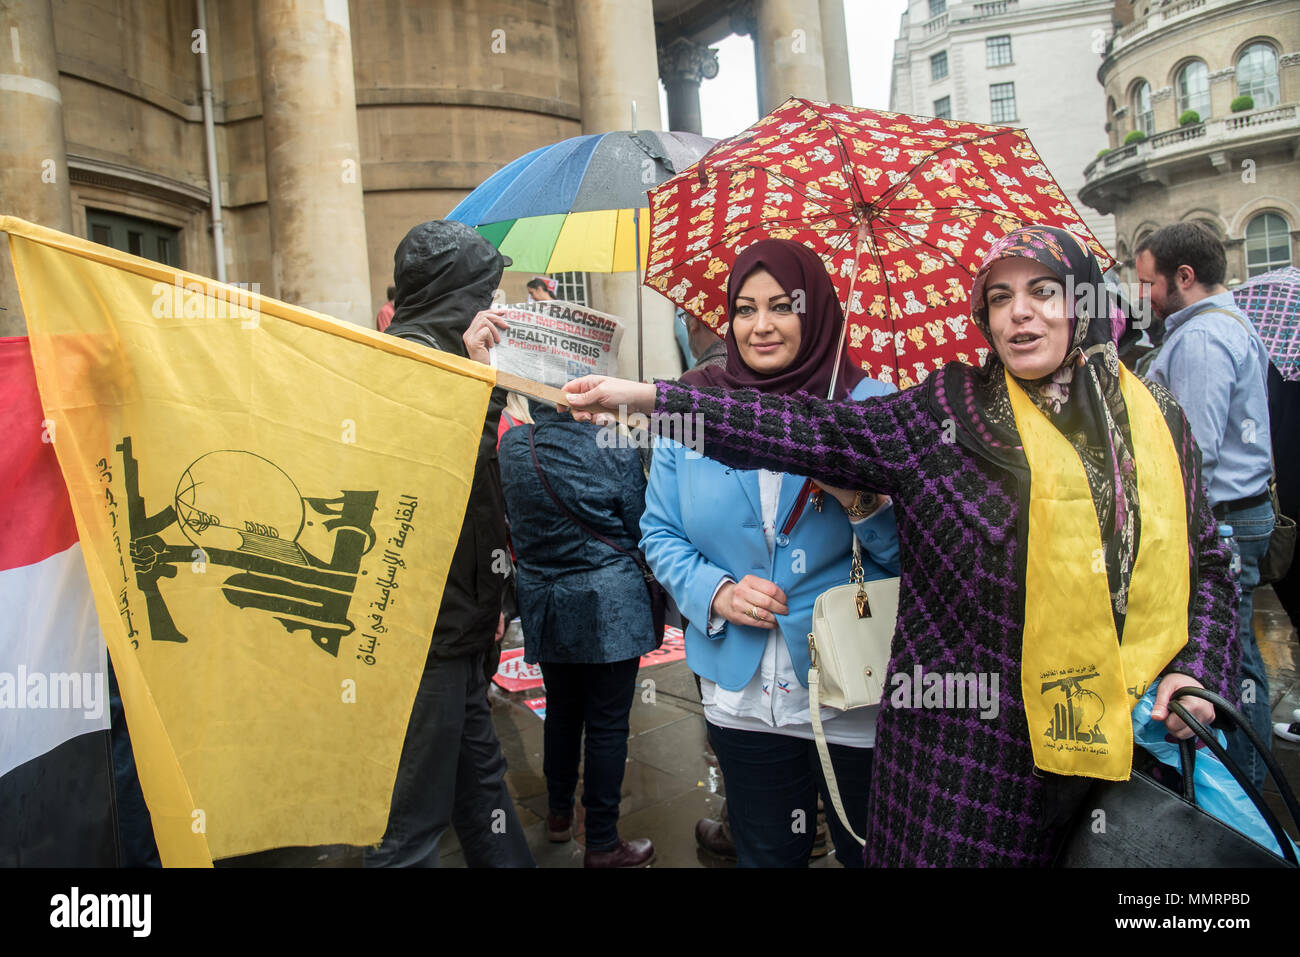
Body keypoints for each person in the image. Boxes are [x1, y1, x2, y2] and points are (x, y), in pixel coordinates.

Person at [565, 225, 1239, 867]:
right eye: (1000, 297)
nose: (1019, 315)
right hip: (967, 759)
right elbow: (804, 427)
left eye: (1044, 292)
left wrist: (1197, 668)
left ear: (1085, 301)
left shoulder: (1155, 421)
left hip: (1115, 744)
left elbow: (1205, 563)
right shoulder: (949, 410)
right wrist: (650, 399)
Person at [639, 239, 901, 867]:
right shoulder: (692, 406)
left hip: (852, 691)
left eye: (782, 306)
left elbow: (913, 554)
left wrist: (859, 499)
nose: (761, 326)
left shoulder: (870, 406)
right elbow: (659, 532)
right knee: (764, 856)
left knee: (874, 854)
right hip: (741, 694)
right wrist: (716, 592)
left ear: (813, 314)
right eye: (745, 308)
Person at [366, 220, 534, 868]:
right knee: (409, 829)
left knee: (481, 794)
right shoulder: (403, 365)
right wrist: (481, 388)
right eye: (487, 291)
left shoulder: (451, 360)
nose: (496, 306)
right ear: (455, 296)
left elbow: (476, 505)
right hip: (422, 640)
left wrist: (491, 600)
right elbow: (434, 483)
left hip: (460, 627)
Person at [1136, 222, 1274, 788]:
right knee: (1242, 658)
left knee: (1231, 664)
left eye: (1149, 283)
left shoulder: (1198, 339)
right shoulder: (1228, 322)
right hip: (1241, 513)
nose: (1143, 296)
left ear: (1183, 277)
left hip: (1220, 521)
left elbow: (1191, 453)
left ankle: (1244, 803)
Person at [498, 398, 659, 867]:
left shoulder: (512, 446)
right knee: (608, 724)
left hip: (546, 602)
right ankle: (604, 842)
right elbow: (640, 522)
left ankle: (558, 816)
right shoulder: (612, 445)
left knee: (563, 713)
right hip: (610, 604)